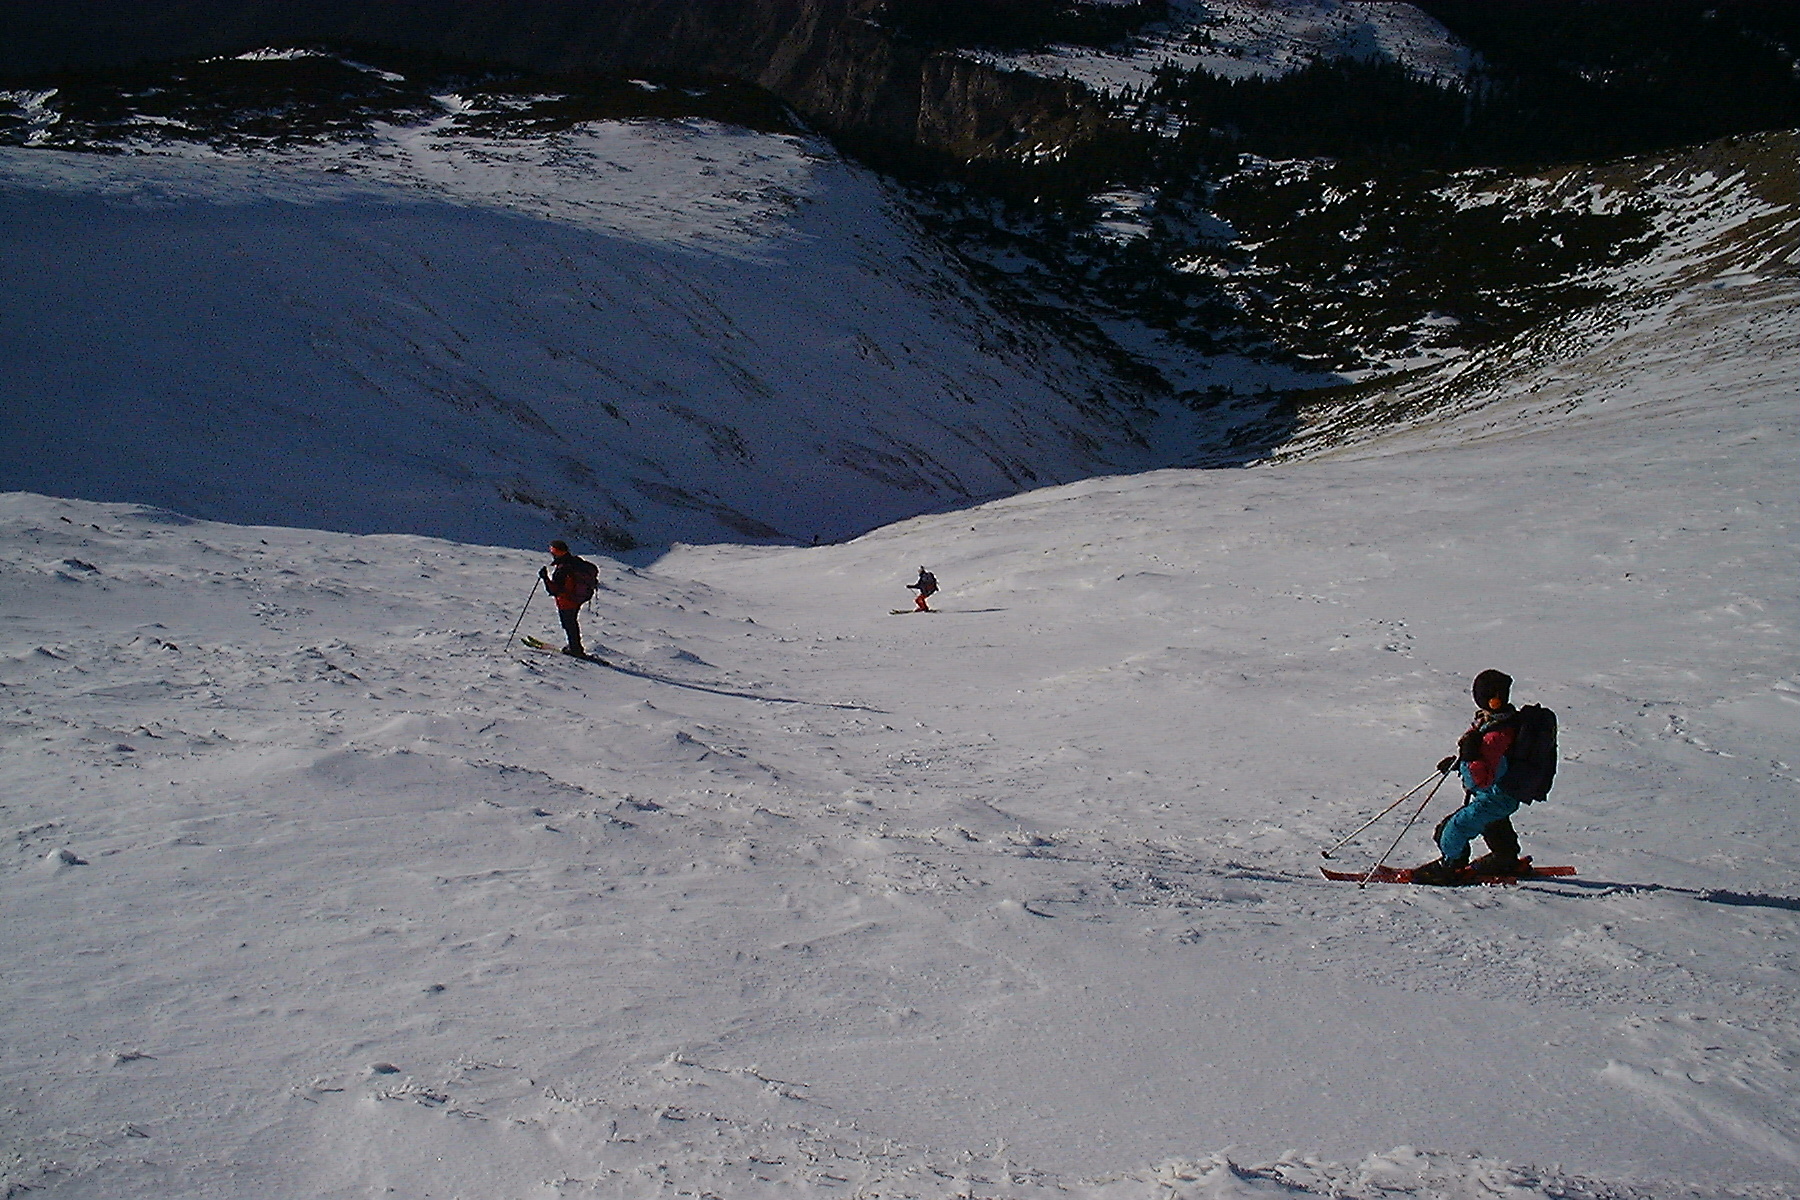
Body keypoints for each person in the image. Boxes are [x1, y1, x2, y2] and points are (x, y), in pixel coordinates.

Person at [1413, 669, 1527, 885]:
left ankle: (1451, 866)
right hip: (1502, 795)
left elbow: (1480, 780)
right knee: (1494, 823)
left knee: (1451, 830)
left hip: (1494, 796)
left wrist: (1469, 758)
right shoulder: (1500, 722)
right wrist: (1460, 762)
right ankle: (1505, 858)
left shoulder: (1495, 735)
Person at [540, 540, 599, 656]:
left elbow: (554, 590)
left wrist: (545, 578)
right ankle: (575, 646)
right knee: (572, 622)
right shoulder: (575, 561)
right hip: (577, 599)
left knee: (568, 624)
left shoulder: (563, 569)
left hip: (567, 601)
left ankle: (575, 648)